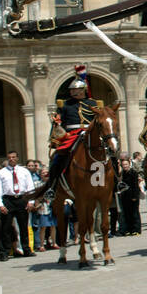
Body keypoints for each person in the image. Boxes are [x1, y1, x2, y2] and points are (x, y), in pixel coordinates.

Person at [40, 66, 99, 205]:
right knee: (58, 156)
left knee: (109, 153)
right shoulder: (66, 105)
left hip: (90, 133)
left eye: (75, 89)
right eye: (71, 90)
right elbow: (60, 120)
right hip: (72, 134)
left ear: (82, 90)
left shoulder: (93, 103)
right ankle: (52, 186)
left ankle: (117, 182)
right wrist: (57, 122)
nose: (72, 91)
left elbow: (99, 119)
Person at [0, 151, 35, 257]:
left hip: (21, 199)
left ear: (17, 158)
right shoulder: (1, 173)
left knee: (23, 226)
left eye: (13, 157)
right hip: (8, 200)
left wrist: (31, 202)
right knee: (6, 227)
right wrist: (0, 205)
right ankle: (5, 251)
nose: (11, 159)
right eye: (9, 158)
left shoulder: (24, 171)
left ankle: (26, 249)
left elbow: (30, 187)